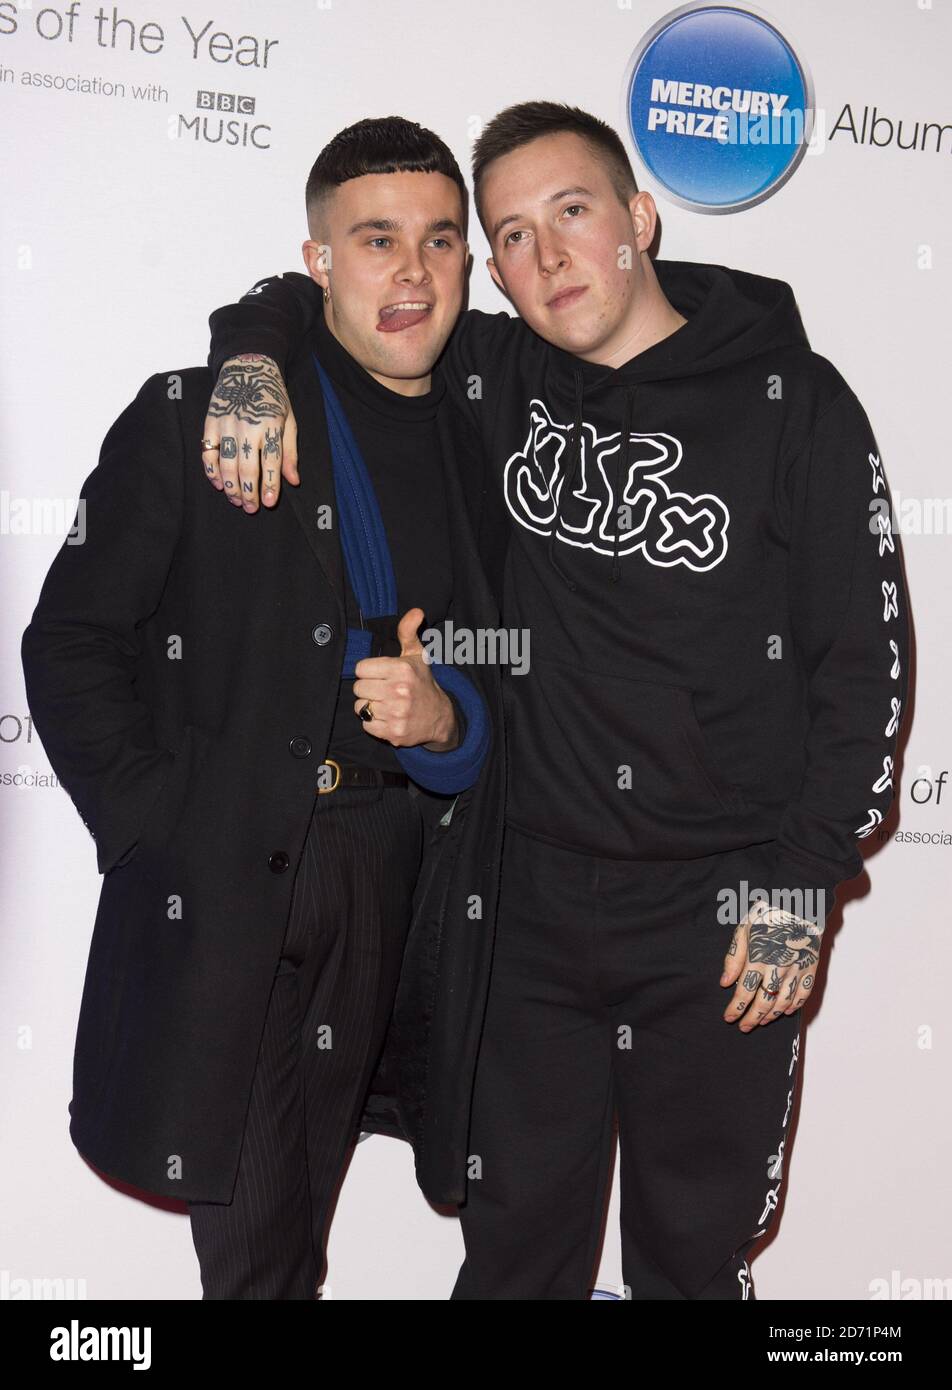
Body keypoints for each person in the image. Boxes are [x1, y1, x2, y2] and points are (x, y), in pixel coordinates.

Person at [200, 101, 911, 1300]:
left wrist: (799, 880)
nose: (546, 259)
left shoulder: (798, 401)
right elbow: (322, 298)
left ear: (640, 218)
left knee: (692, 1260)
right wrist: (249, 357)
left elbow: (865, 669)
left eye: (571, 213)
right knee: (516, 1257)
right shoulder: (495, 371)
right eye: (511, 235)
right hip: (525, 902)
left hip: (727, 909)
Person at [20, 116, 508, 1300]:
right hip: (230, 866)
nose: (410, 270)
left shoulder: (494, 425)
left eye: (439, 241)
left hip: (394, 871)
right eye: (375, 238)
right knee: (256, 1245)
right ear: (317, 260)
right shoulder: (211, 411)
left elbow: (508, 672)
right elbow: (72, 638)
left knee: (299, 1217)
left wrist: (449, 726)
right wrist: (154, 821)